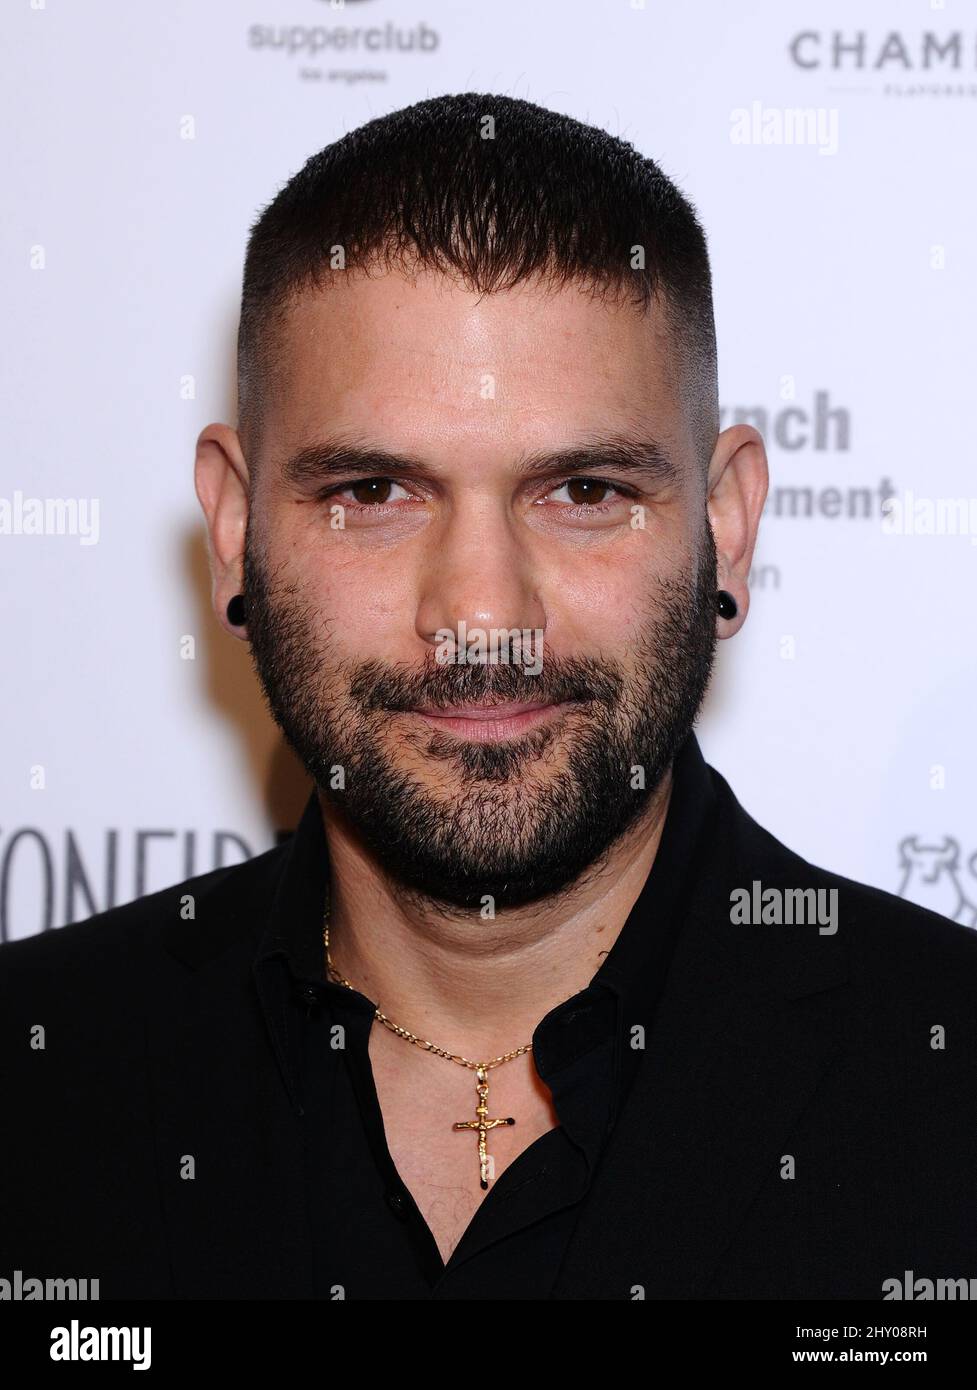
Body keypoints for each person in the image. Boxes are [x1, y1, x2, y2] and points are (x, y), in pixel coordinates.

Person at [2, 92, 975, 1302]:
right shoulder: (34, 1079)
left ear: (723, 527)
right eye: (371, 489)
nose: (478, 615)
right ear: (236, 528)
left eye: (580, 489)